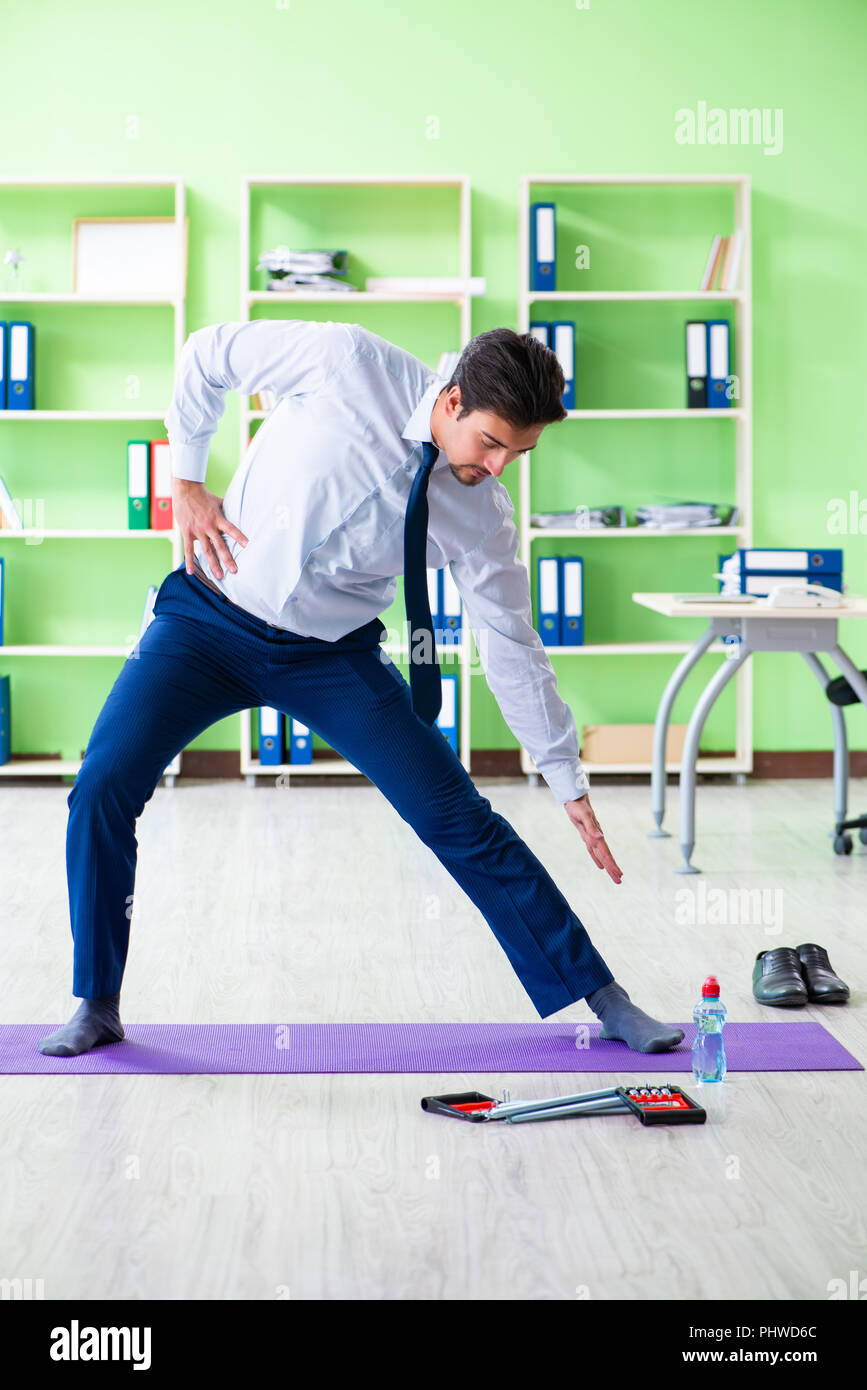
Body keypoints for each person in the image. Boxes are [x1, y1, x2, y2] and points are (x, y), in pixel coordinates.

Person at [39, 322, 684, 1057]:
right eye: (492, 442)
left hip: (330, 657)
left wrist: (564, 776)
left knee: (461, 820)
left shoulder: (481, 515)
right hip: (208, 620)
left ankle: (604, 997)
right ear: (451, 400)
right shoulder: (345, 362)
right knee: (101, 787)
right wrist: (184, 483)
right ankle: (96, 1002)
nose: (501, 466)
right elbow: (203, 354)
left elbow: (510, 644)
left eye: (520, 452)